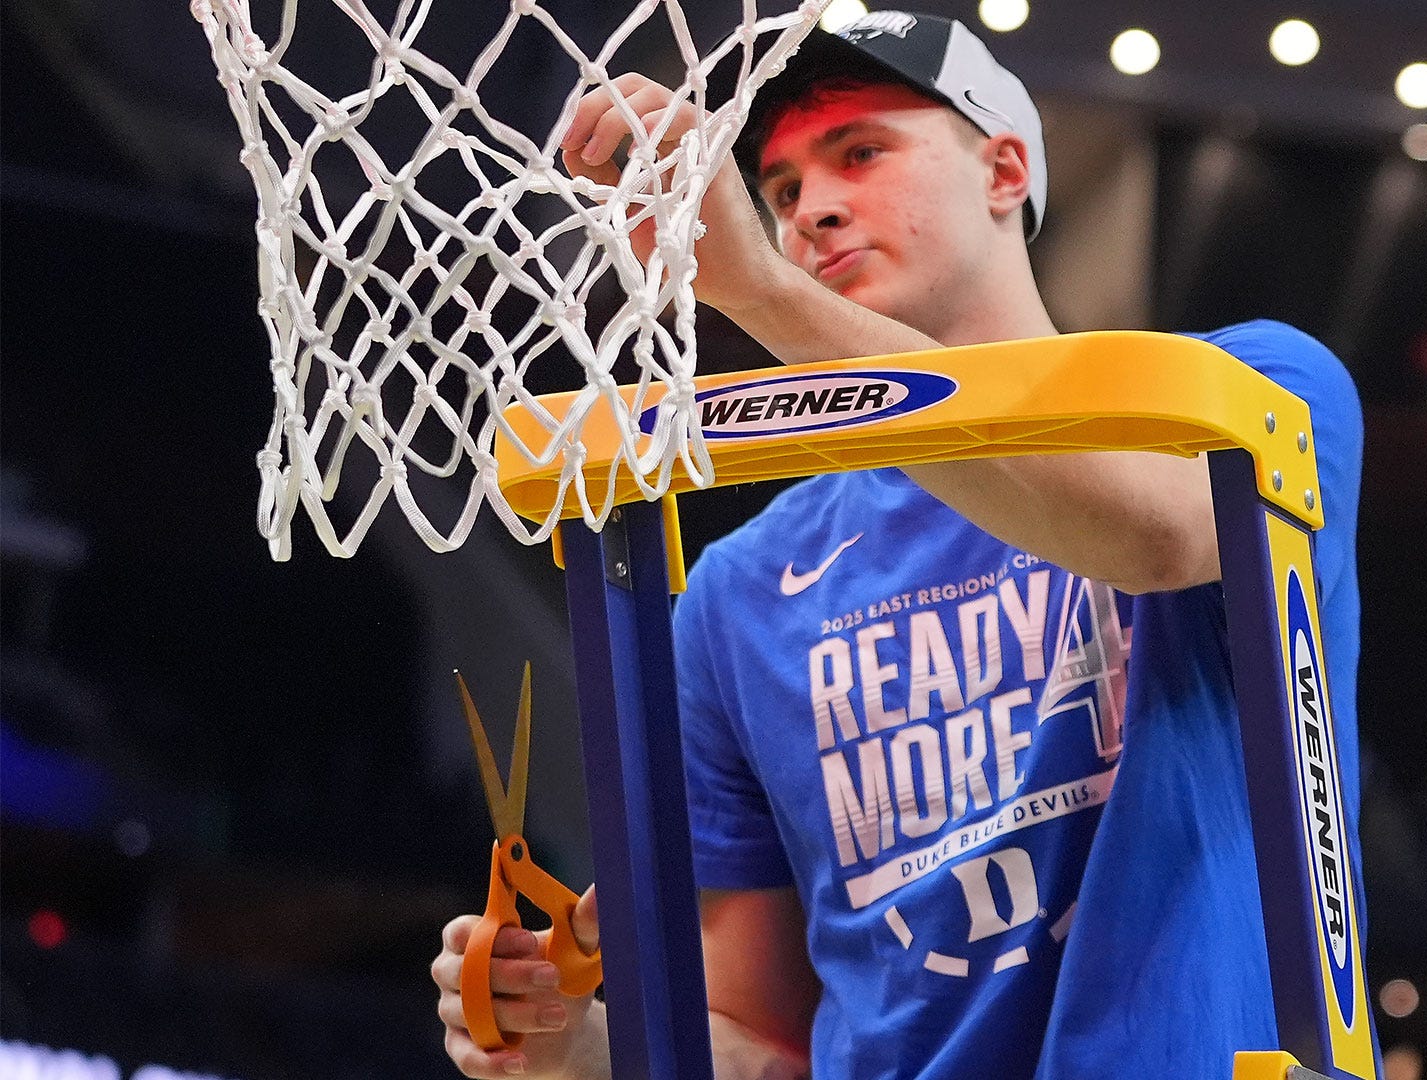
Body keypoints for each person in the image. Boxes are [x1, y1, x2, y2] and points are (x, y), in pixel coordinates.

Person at [430, 12, 1370, 1079]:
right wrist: (578, 1044)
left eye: (859, 152)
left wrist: (764, 297)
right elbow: (760, 1044)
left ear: (1005, 169)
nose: (809, 209)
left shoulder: (1251, 387)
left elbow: (1154, 537)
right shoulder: (736, 597)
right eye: (778, 193)